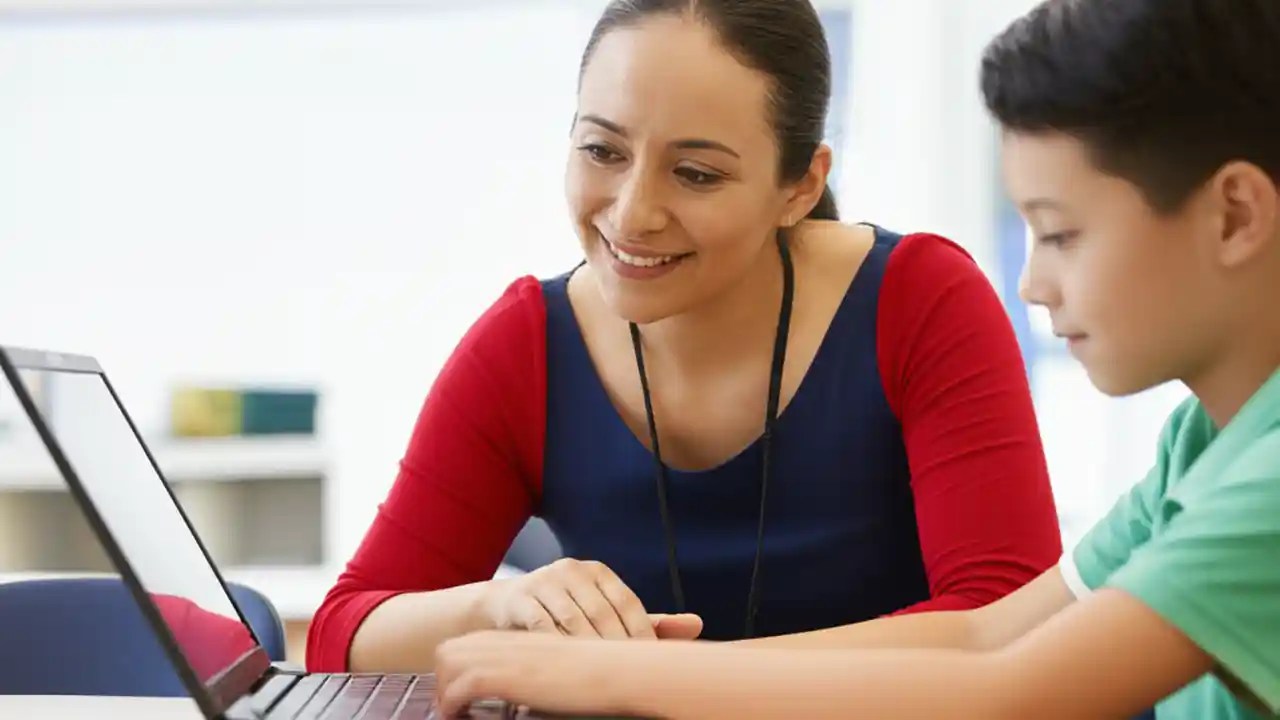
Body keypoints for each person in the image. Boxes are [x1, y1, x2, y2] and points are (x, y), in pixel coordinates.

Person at [430, 0, 1280, 717]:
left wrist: (614, 673)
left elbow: (1008, 690)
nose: (1031, 283)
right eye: (603, 149)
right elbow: (994, 632)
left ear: (1237, 216)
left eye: (1061, 234)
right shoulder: (1203, 442)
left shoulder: (1268, 482)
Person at [307, 0, 1062, 674]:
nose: (632, 214)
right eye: (602, 151)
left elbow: (1007, 619)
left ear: (799, 186)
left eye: (696, 174)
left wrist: (675, 685)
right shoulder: (526, 344)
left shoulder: (919, 300)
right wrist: (496, 609)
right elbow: (341, 634)